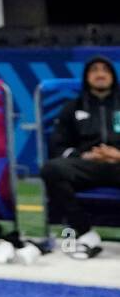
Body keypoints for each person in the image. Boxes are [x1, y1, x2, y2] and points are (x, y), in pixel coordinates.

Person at [41, 56, 119, 259]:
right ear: (86, 77)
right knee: (51, 169)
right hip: (87, 166)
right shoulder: (72, 107)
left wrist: (117, 155)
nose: (100, 74)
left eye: (105, 70)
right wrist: (85, 156)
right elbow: (57, 146)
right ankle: (85, 232)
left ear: (113, 76)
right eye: (94, 70)